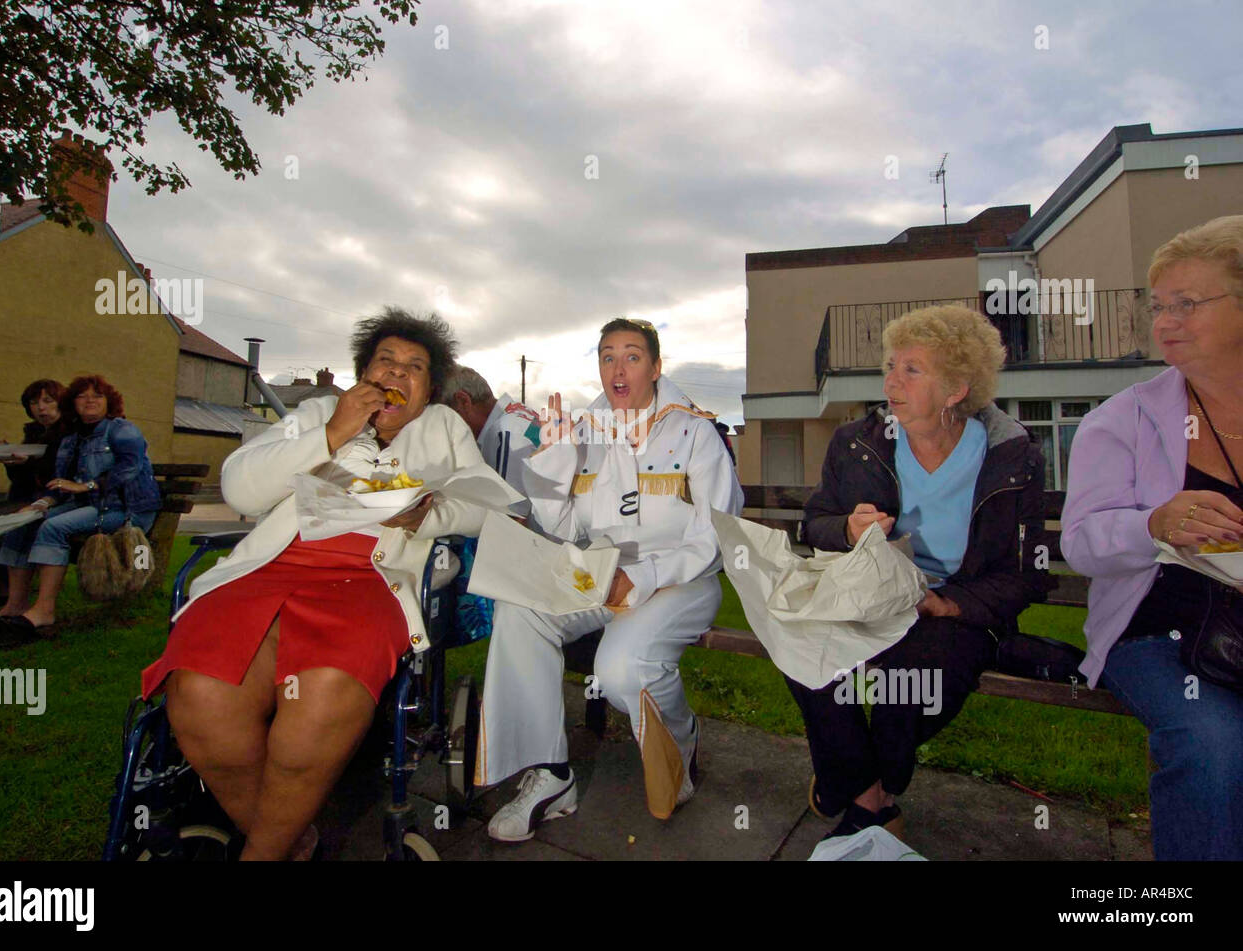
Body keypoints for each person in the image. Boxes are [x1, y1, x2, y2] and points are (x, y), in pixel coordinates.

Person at [142, 308, 517, 861]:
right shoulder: (317, 412)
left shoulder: (442, 429)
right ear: (362, 373)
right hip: (270, 569)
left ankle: (264, 853)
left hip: (369, 576)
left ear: (429, 389)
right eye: (385, 361)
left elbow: (490, 505)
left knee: (319, 699)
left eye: (414, 367)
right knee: (201, 694)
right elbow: (242, 489)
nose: (397, 373)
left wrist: (425, 517)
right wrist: (334, 433)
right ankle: (290, 840)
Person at [477, 317, 743, 840]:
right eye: (607, 356)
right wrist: (553, 467)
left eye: (632, 355)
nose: (618, 369)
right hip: (599, 574)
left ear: (656, 366)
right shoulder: (584, 432)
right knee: (519, 609)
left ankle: (681, 743)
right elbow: (561, 529)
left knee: (620, 666)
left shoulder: (695, 431)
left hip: (680, 580)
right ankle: (549, 774)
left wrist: (642, 578)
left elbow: (717, 535)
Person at [792, 304, 1049, 840]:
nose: (891, 382)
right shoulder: (858, 443)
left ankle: (860, 793)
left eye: (912, 369)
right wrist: (847, 529)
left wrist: (946, 604)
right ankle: (869, 798)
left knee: (909, 681)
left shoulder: (1012, 456)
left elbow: (1027, 574)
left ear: (956, 389)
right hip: (874, 595)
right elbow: (814, 523)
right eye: (890, 365)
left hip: (957, 607)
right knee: (799, 640)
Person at [1061, 215, 1243, 861]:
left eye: (1187, 304)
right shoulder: (1124, 419)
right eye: (1159, 305)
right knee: (1212, 744)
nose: (1165, 320)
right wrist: (1153, 523)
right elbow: (1080, 542)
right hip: (1157, 633)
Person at [0, 375, 161, 639]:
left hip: (125, 510)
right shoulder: (71, 440)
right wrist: (39, 504)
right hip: (89, 505)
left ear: (109, 402)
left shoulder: (122, 429)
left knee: (53, 527)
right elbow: (61, 483)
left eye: (97, 396)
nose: (90, 401)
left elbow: (129, 469)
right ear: (72, 404)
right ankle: (14, 605)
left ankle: (44, 609)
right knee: (22, 524)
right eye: (82, 396)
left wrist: (86, 486)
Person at [0, 379, 66, 614]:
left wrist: (31, 462)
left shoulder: (69, 434)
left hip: (55, 499)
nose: (41, 408)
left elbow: (61, 475)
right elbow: (23, 480)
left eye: (48, 401)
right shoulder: (35, 432)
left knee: (4, 517)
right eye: (34, 402)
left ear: (61, 403)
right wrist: (11, 461)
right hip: (28, 496)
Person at [440, 363, 541, 507]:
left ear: (463, 402)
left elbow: (513, 517)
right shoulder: (513, 417)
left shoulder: (505, 433)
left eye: (441, 415)